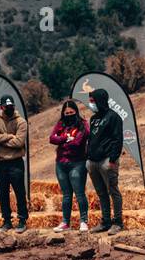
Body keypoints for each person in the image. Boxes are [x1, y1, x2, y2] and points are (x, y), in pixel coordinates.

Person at [85, 87, 124, 234]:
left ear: (100, 100)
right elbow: (91, 139)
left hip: (107, 161)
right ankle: (105, 222)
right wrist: (88, 158)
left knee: (113, 191)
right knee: (101, 193)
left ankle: (118, 222)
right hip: (93, 162)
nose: (90, 104)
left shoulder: (113, 117)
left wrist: (113, 160)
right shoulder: (94, 118)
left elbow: (117, 139)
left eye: (92, 101)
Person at [0, 95, 28, 232]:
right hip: (0, 162)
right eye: (6, 107)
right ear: (1, 107)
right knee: (2, 193)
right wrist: (10, 136)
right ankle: (6, 221)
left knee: (20, 192)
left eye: (11, 107)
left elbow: (19, 142)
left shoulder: (21, 122)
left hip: (16, 162)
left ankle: (22, 220)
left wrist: (2, 140)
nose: (9, 109)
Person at [50, 100, 90, 232]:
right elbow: (52, 138)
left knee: (79, 193)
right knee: (66, 195)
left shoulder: (83, 124)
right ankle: (65, 222)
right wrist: (65, 139)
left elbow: (78, 142)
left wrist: (61, 140)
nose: (69, 115)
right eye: (66, 113)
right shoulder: (61, 123)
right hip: (61, 163)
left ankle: (83, 221)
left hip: (77, 163)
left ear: (76, 112)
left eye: (71, 112)